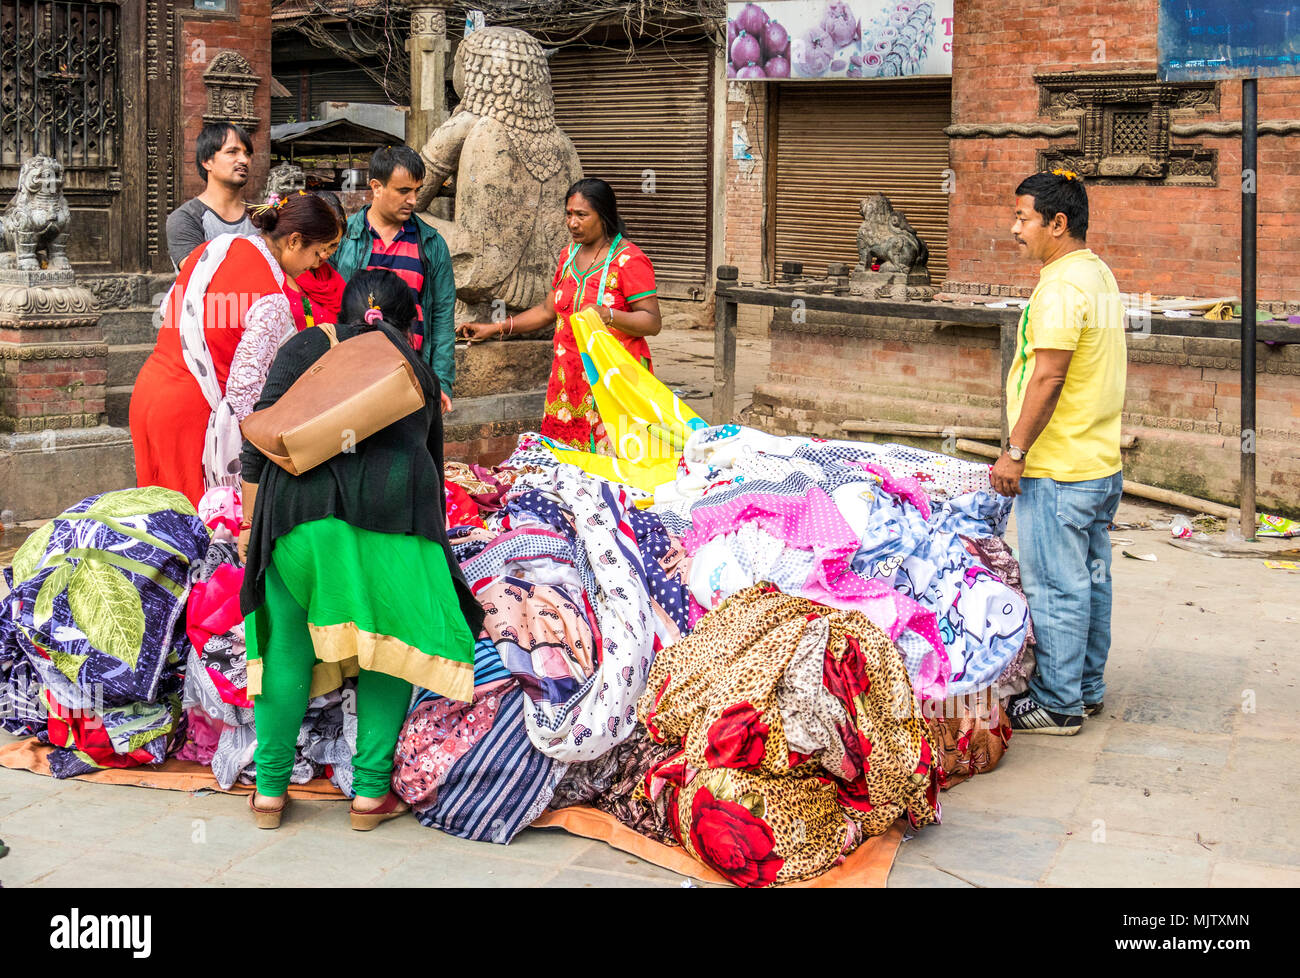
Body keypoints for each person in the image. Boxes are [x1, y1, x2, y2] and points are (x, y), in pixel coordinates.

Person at [237, 269, 484, 830]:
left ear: (344, 310)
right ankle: (370, 795)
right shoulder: (416, 370)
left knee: (286, 647)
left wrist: (253, 523)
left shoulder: (305, 345)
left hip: (300, 524)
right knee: (388, 649)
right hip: (393, 526)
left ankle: (270, 791)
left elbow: (259, 439)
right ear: (407, 323)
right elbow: (431, 465)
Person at [991, 169, 1127, 735]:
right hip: (1098, 463)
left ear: (1057, 223)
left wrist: (1015, 451)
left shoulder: (1062, 286)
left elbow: (1048, 376)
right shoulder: (1095, 273)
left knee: (1056, 586)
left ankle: (1057, 702)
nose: (1015, 229)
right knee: (1092, 578)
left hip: (1060, 468)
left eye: (1023, 218)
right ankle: (1086, 689)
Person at [130, 192, 343, 507]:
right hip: (191, 417)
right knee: (195, 530)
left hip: (149, 395)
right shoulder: (272, 299)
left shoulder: (215, 248)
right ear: (295, 241)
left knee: (155, 520)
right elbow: (244, 392)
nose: (314, 266)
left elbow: (167, 309)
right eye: (317, 255)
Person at [457, 178, 661, 453]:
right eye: (568, 214)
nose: (572, 223)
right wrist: (495, 328)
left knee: (612, 470)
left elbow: (651, 321)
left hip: (614, 384)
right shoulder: (568, 255)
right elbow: (547, 311)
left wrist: (609, 314)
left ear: (604, 216)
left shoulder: (629, 260)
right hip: (568, 383)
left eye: (581, 215)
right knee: (566, 468)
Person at [332, 145, 456, 413]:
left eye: (417, 191)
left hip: (411, 375)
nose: (413, 200)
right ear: (376, 187)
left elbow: (443, 316)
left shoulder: (432, 244)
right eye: (403, 191)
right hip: (350, 373)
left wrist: (441, 381)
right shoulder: (344, 237)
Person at [165, 122, 257, 269]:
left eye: (247, 154)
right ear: (207, 162)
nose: (244, 160)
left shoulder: (260, 215)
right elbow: (199, 275)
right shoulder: (186, 218)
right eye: (232, 152)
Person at [284, 191, 347, 329]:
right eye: (321, 244)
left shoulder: (334, 281)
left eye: (332, 245)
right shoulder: (286, 277)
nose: (324, 255)